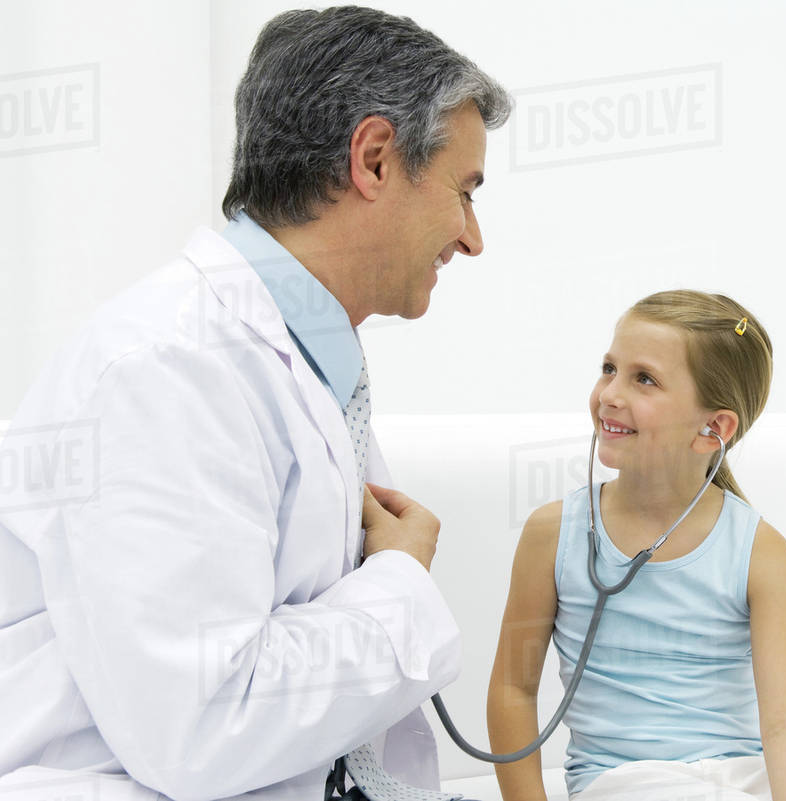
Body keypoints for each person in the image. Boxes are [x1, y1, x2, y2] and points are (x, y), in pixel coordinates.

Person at [0, 7, 511, 801]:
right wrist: (402, 579)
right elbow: (205, 725)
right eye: (464, 191)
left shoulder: (300, 357)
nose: (473, 238)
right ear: (374, 159)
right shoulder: (165, 365)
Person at [487, 290, 786, 801]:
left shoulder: (760, 552)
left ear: (712, 429)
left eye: (643, 379)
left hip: (742, 778)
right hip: (624, 784)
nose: (610, 393)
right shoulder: (554, 533)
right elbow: (512, 692)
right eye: (609, 368)